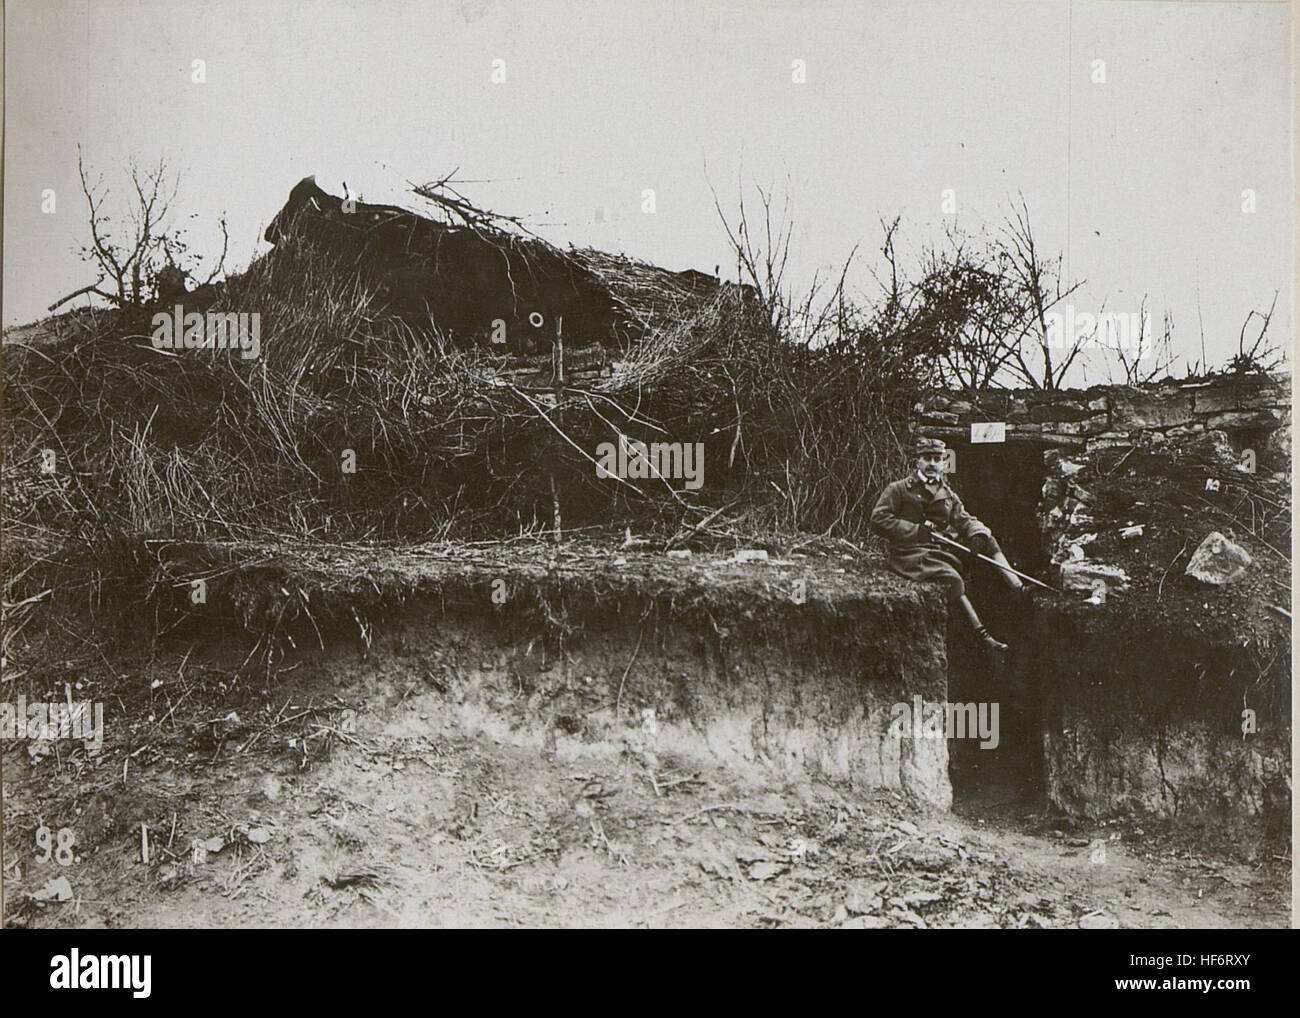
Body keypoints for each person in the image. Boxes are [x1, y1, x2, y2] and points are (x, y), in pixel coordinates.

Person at [870, 437, 1025, 652]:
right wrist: (915, 530)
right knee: (952, 578)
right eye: (927, 458)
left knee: (988, 539)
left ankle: (1018, 589)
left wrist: (976, 534)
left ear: (944, 463)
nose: (932, 463)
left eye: (937, 459)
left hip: (939, 549)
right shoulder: (899, 489)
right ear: (917, 462)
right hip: (910, 552)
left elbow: (964, 519)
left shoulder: (947, 493)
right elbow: (878, 520)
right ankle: (982, 635)